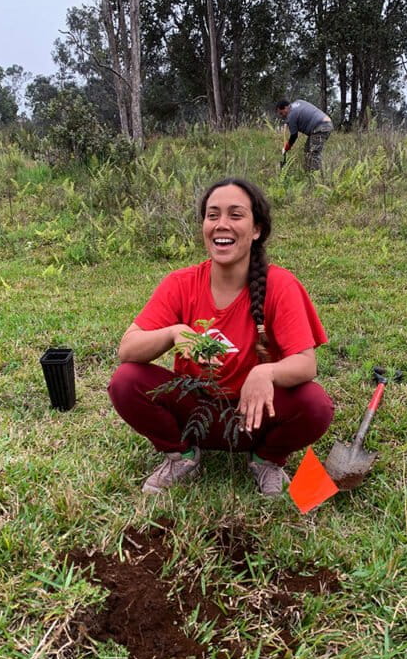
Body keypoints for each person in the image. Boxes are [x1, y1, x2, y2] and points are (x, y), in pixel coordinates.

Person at [107, 178, 334, 496]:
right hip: (193, 415)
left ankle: (266, 459)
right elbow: (128, 349)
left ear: (256, 229)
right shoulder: (180, 283)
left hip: (252, 416)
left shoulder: (280, 286)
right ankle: (182, 456)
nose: (221, 225)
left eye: (235, 215)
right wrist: (174, 333)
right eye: (213, 215)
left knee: (315, 404)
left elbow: (306, 365)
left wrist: (265, 371)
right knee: (126, 380)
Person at [276, 99, 333, 172]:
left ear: (286, 107)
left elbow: (294, 135)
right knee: (307, 150)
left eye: (281, 113)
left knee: (313, 152)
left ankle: (315, 178)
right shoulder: (298, 102)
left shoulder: (291, 115)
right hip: (324, 124)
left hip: (320, 126)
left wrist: (286, 148)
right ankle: (309, 173)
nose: (282, 116)